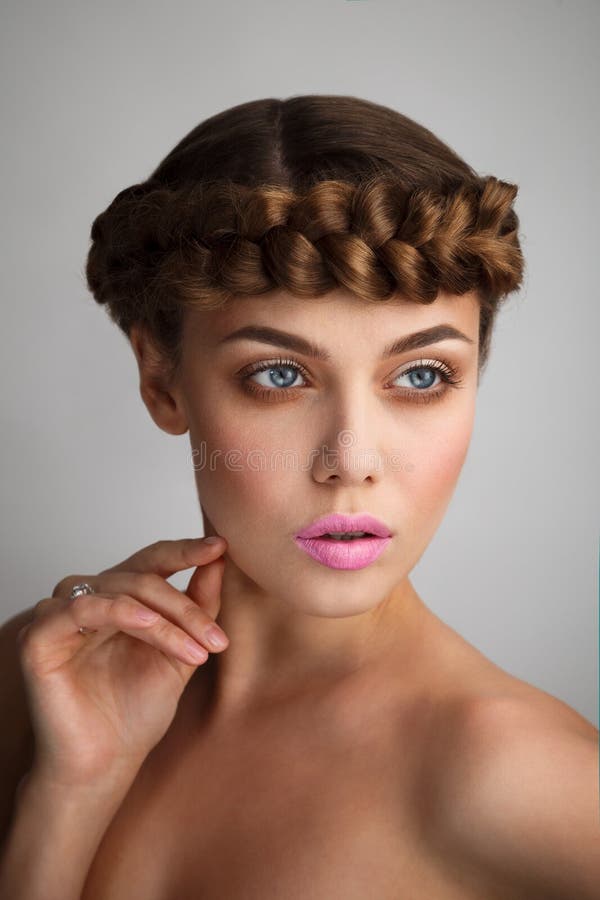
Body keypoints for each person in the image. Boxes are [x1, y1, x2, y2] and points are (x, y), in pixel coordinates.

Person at [0, 95, 598, 900]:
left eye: (421, 376)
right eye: (279, 376)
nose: (351, 461)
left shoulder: (524, 778)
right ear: (161, 378)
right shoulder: (44, 681)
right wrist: (71, 794)